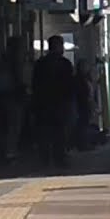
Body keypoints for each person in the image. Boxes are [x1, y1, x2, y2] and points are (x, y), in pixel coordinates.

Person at [31, 35, 74, 167]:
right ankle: (59, 157)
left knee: (45, 132)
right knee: (59, 132)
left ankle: (45, 158)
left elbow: (35, 84)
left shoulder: (40, 64)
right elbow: (69, 85)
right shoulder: (65, 64)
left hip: (43, 103)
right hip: (60, 103)